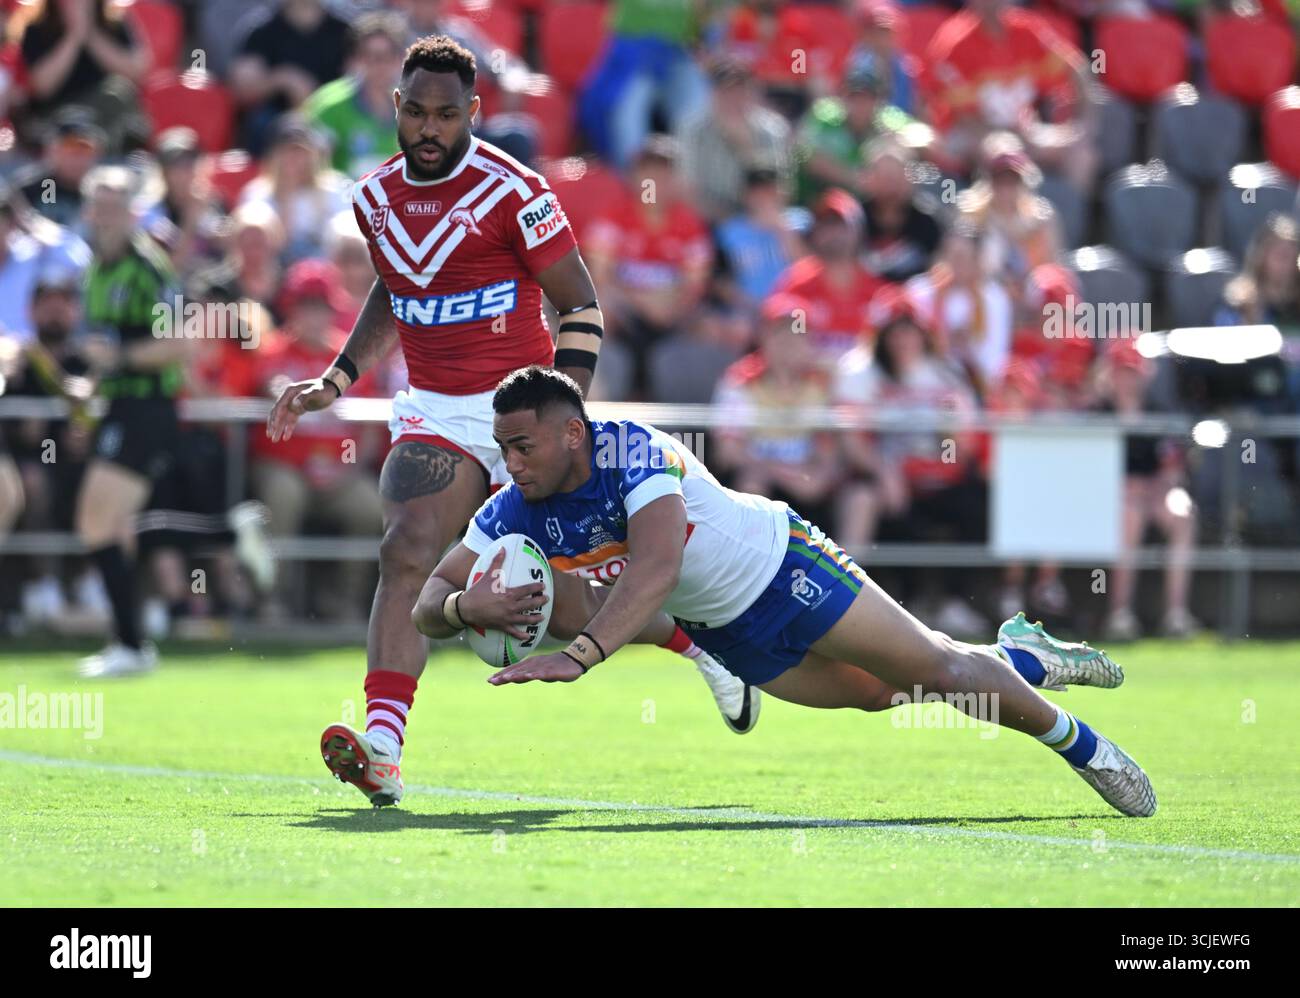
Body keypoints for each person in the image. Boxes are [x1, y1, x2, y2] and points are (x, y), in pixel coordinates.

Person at [265, 36, 761, 802]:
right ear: (396, 107)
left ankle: (700, 647)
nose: (429, 128)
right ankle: (385, 749)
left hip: (516, 409)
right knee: (406, 551)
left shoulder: (515, 191)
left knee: (563, 606)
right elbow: (398, 288)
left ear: (474, 112)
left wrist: (563, 418)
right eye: (417, 112)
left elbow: (582, 304)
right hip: (431, 407)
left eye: (446, 114)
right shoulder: (372, 198)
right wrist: (337, 377)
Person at [399, 365, 1153, 820]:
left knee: (942, 670)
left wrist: (584, 654)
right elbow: (428, 596)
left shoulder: (631, 448)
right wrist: (469, 607)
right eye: (502, 449)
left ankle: (1086, 748)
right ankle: (1018, 658)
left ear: (571, 435)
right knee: (879, 695)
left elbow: (656, 564)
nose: (511, 464)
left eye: (522, 447)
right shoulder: (513, 504)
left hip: (783, 566)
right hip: (728, 629)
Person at [73, 166, 272, 677]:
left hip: (146, 409)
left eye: (117, 204)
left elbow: (178, 345)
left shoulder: (146, 269)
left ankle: (132, 644)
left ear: (133, 211)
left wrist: (115, 358)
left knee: (96, 521)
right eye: (100, 204)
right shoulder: (97, 269)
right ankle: (134, 639)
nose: (107, 214)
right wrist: (89, 388)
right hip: (119, 405)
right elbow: (106, 351)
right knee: (121, 526)